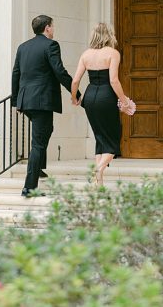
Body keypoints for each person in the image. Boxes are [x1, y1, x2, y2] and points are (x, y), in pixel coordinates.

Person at [12, 15, 78, 197]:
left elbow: (15, 74)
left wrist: (16, 101)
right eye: (53, 26)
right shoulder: (51, 45)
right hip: (42, 100)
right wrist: (75, 92)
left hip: (27, 100)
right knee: (39, 143)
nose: (53, 29)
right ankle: (29, 188)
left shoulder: (23, 47)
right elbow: (59, 71)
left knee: (45, 131)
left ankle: (38, 167)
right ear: (47, 28)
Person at [71, 23, 135, 186]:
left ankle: (98, 183)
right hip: (106, 96)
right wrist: (124, 101)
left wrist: (74, 98)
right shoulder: (113, 53)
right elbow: (113, 80)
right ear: (109, 35)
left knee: (100, 137)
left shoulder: (86, 54)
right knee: (113, 139)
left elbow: (76, 80)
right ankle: (99, 168)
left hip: (90, 96)